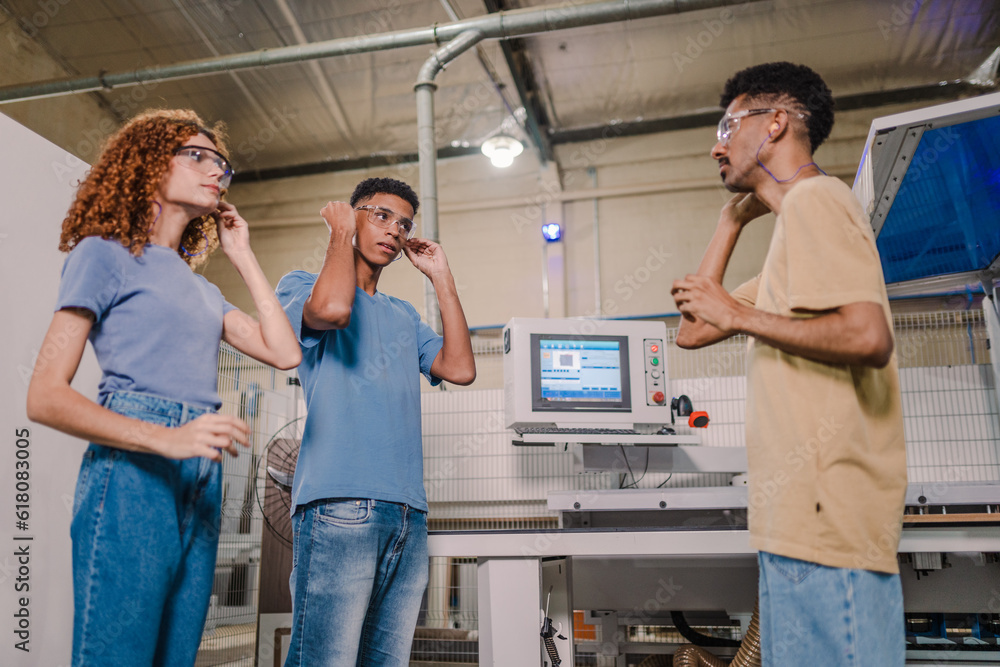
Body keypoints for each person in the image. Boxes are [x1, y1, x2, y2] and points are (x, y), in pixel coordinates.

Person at [26, 109, 301, 666]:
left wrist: (242, 256)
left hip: (202, 474)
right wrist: (165, 436)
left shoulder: (199, 289)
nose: (214, 170)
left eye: (219, 162)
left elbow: (285, 351)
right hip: (134, 471)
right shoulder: (102, 252)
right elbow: (45, 395)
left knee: (175, 657)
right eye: (196, 156)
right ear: (148, 165)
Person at [671, 62, 907, 666]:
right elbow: (694, 329)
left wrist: (739, 315)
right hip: (795, 526)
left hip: (830, 528)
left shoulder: (818, 200)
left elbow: (867, 333)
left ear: (775, 123)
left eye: (728, 125)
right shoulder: (788, 236)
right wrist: (730, 220)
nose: (715, 143)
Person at [276, 177, 476, 666]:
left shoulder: (404, 315)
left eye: (404, 223)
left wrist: (441, 277)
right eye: (380, 215)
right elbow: (332, 309)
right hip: (339, 505)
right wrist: (338, 235)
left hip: (407, 512)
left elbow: (460, 369)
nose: (395, 230)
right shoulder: (301, 284)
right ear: (352, 216)